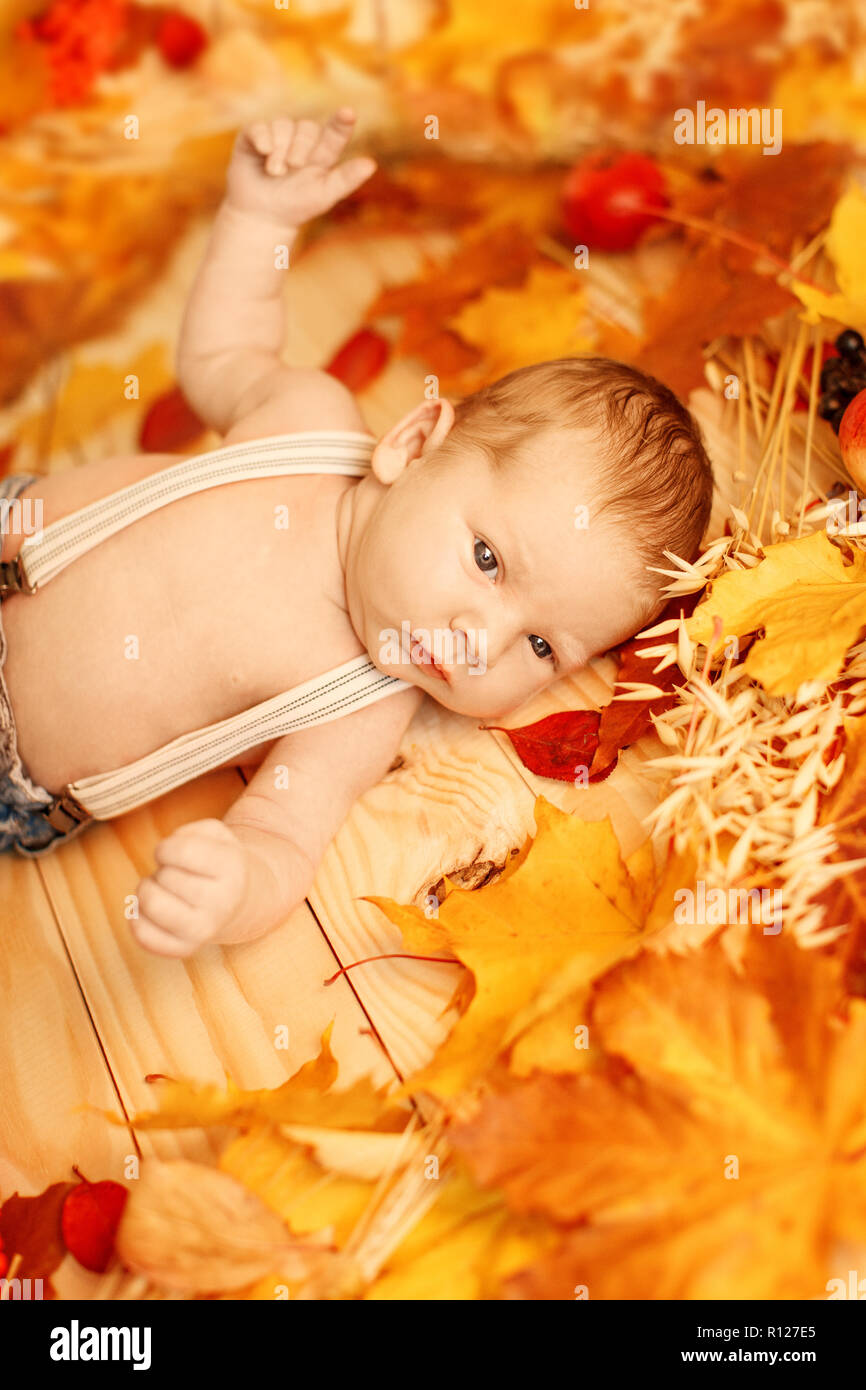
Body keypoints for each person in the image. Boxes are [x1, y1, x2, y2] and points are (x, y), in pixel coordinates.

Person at [0, 108, 713, 956]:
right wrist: (260, 219)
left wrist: (233, 888)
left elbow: (284, 835)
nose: (480, 641)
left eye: (542, 649)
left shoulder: (360, 704)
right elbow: (224, 353)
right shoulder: (306, 419)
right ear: (412, 445)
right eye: (487, 561)